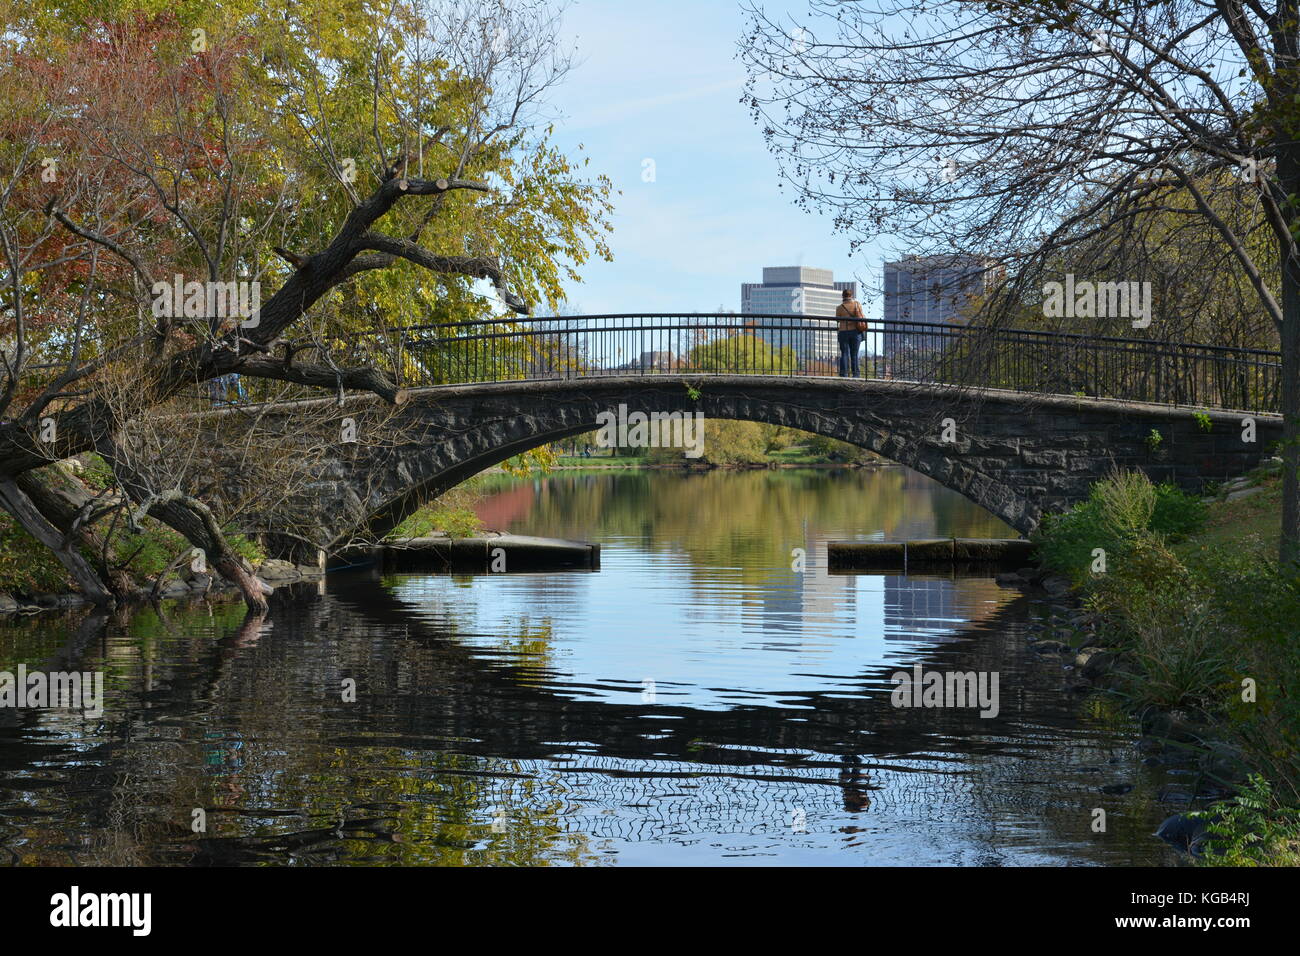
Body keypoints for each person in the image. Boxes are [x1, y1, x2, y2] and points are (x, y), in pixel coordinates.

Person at [835, 289, 865, 378]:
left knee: (844, 353)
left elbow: (837, 320)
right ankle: (856, 374)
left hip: (843, 332)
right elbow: (861, 316)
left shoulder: (840, 307)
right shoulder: (857, 304)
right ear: (851, 295)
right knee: (854, 354)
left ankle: (843, 374)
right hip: (856, 332)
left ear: (842, 296)